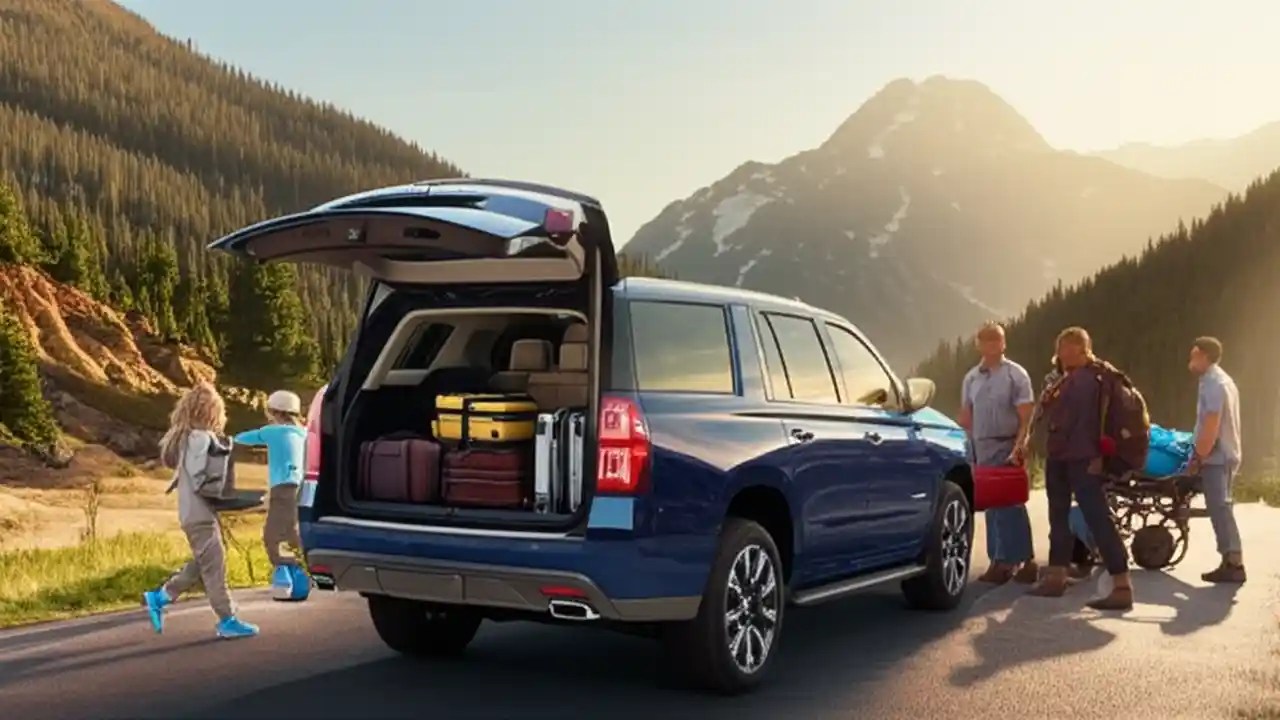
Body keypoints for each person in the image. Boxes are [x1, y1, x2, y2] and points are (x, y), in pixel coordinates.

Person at [142, 382, 260, 638]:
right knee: (215, 568)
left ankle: (161, 596)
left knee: (203, 562)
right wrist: (230, 494)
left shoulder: (186, 438)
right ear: (210, 411)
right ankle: (227, 619)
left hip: (193, 513)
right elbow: (200, 479)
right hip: (200, 515)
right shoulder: (200, 438)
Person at [1028, 327, 1134, 610]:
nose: (1060, 355)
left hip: (1079, 458)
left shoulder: (1086, 381)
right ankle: (1058, 576)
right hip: (1072, 457)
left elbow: (1070, 421)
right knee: (1069, 516)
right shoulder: (1084, 378)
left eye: (1064, 349)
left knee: (1093, 517)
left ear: (1077, 349)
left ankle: (1120, 585)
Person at [959, 322, 1038, 585]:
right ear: (978, 344)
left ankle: (1023, 560)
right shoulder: (971, 378)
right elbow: (966, 416)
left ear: (1004, 343)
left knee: (1011, 503)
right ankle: (1000, 560)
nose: (992, 344)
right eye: (987, 340)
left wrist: (1021, 444)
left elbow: (1026, 415)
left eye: (997, 339)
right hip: (981, 445)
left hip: (1007, 444)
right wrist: (966, 450)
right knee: (991, 504)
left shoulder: (1016, 374)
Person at [235, 390, 308, 594]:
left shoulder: (272, 432)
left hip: (282, 489)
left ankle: (288, 575)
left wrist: (227, 439)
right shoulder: (303, 433)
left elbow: (243, 438)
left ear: (274, 412)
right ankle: (304, 571)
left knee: (272, 537)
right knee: (292, 533)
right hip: (300, 488)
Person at [1186, 336, 1246, 583]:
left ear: (1204, 356)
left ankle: (1233, 562)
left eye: (1193, 355)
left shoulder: (1213, 383)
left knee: (1220, 507)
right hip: (1224, 453)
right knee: (1221, 506)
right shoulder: (1221, 380)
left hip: (1217, 456)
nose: (1190, 360)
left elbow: (1212, 422)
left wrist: (1199, 456)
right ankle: (1231, 560)